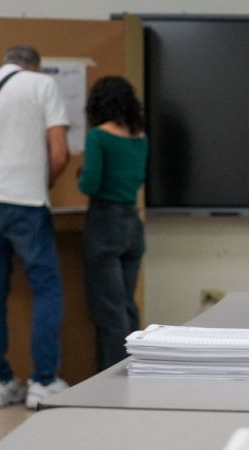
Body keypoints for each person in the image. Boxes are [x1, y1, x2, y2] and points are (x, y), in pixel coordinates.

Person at [0, 45, 71, 409]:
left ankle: (0, 380)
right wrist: (46, 182)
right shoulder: (42, 85)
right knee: (46, 287)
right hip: (24, 200)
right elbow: (59, 153)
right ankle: (43, 381)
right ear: (36, 66)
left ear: (5, 62)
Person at [78, 76, 148, 371]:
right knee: (127, 306)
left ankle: (113, 378)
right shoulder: (140, 138)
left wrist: (80, 173)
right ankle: (138, 367)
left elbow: (89, 184)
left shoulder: (98, 137)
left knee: (109, 310)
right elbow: (139, 179)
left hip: (105, 224)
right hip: (133, 224)